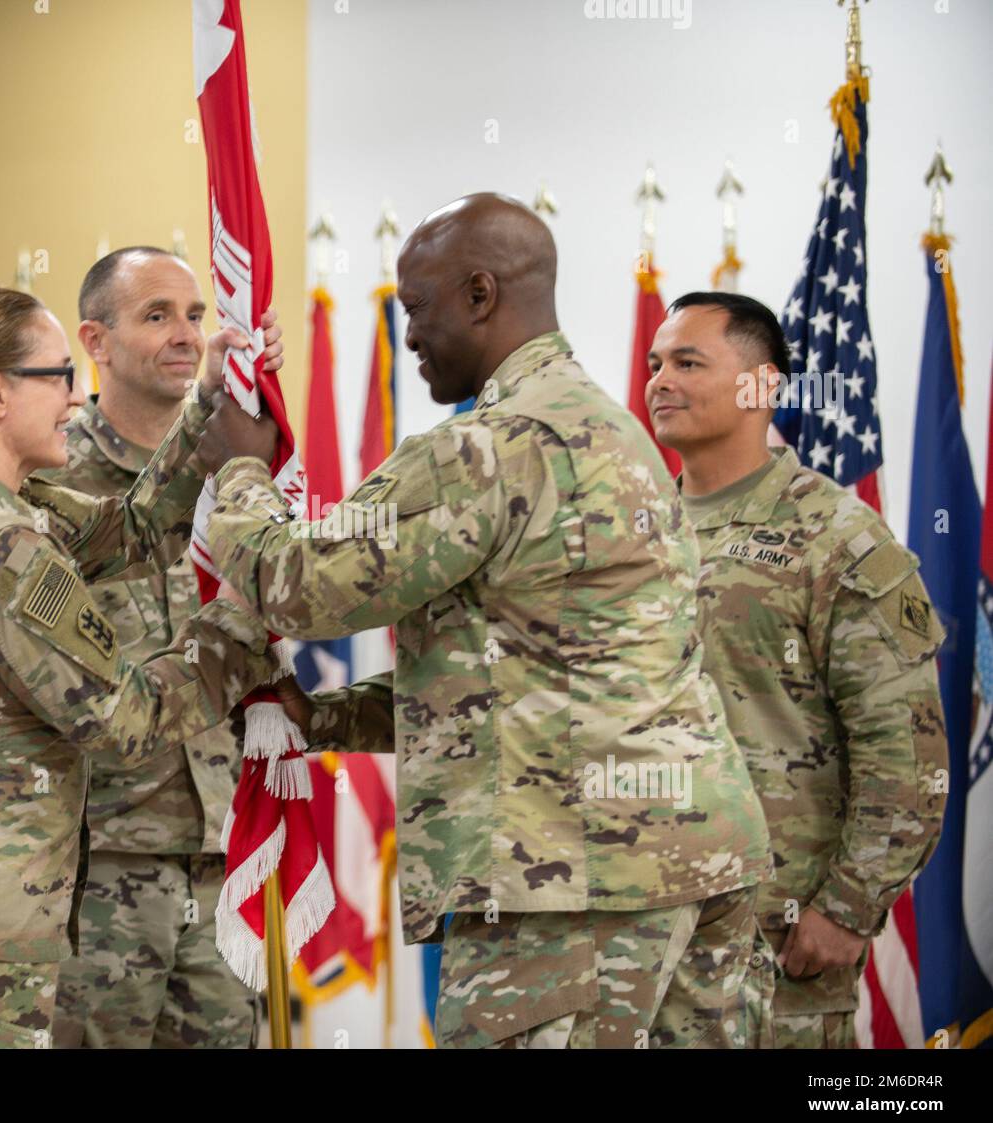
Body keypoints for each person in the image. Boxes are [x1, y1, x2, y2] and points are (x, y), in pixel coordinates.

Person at [208, 193, 775, 1049]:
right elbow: (511, 678)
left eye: (416, 307)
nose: (408, 335)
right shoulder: (619, 438)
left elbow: (295, 586)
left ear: (480, 294)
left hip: (568, 886)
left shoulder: (489, 448)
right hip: (698, 864)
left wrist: (240, 475)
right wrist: (318, 713)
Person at [0, 284, 279, 1048]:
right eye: (60, 375)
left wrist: (206, 402)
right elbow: (126, 720)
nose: (77, 395)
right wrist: (243, 622)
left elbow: (135, 528)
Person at [645, 291, 948, 1048]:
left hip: (775, 960)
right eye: (655, 363)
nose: (658, 380)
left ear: (761, 384)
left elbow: (907, 751)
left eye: (687, 361)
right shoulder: (634, 533)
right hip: (638, 957)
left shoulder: (836, 536)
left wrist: (847, 908)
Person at [38, 246, 276, 1048]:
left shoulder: (230, 468)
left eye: (196, 315)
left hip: (222, 849)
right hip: (99, 857)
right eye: (157, 315)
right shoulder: (51, 479)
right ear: (94, 342)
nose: (186, 334)